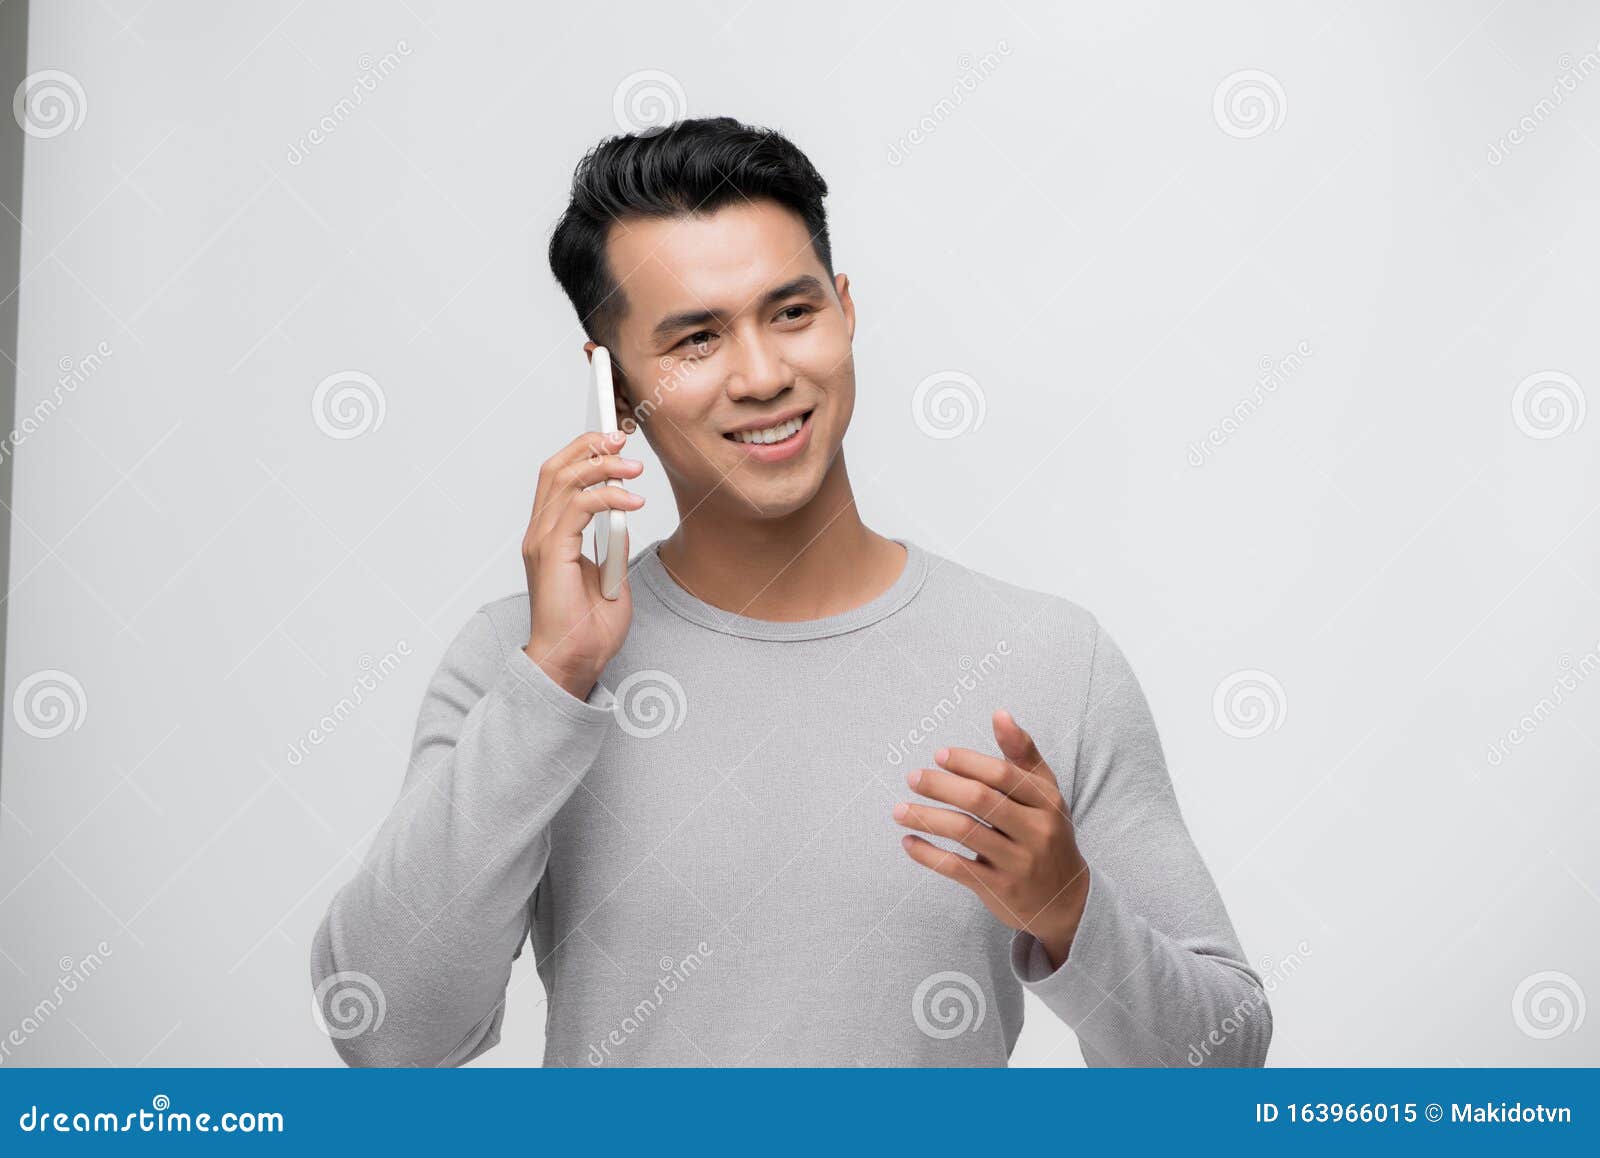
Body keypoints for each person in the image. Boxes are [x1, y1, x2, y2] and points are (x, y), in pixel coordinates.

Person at [309, 116, 1272, 1068]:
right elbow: (388, 1034)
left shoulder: (1050, 659)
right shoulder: (516, 666)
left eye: (793, 313)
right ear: (614, 387)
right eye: (696, 339)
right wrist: (553, 679)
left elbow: (1222, 1063)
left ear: (845, 312)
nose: (763, 375)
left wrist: (1069, 910)